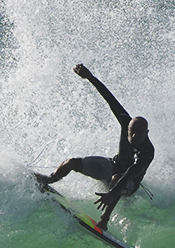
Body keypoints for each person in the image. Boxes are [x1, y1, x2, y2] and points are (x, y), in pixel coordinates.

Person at [37, 64, 154, 228]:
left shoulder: (148, 152)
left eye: (140, 133)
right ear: (127, 128)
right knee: (72, 162)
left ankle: (104, 220)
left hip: (129, 183)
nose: (135, 136)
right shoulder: (125, 121)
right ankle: (49, 179)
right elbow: (110, 99)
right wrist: (90, 77)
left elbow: (129, 175)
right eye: (132, 132)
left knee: (117, 178)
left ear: (147, 132)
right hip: (111, 166)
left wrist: (111, 193)